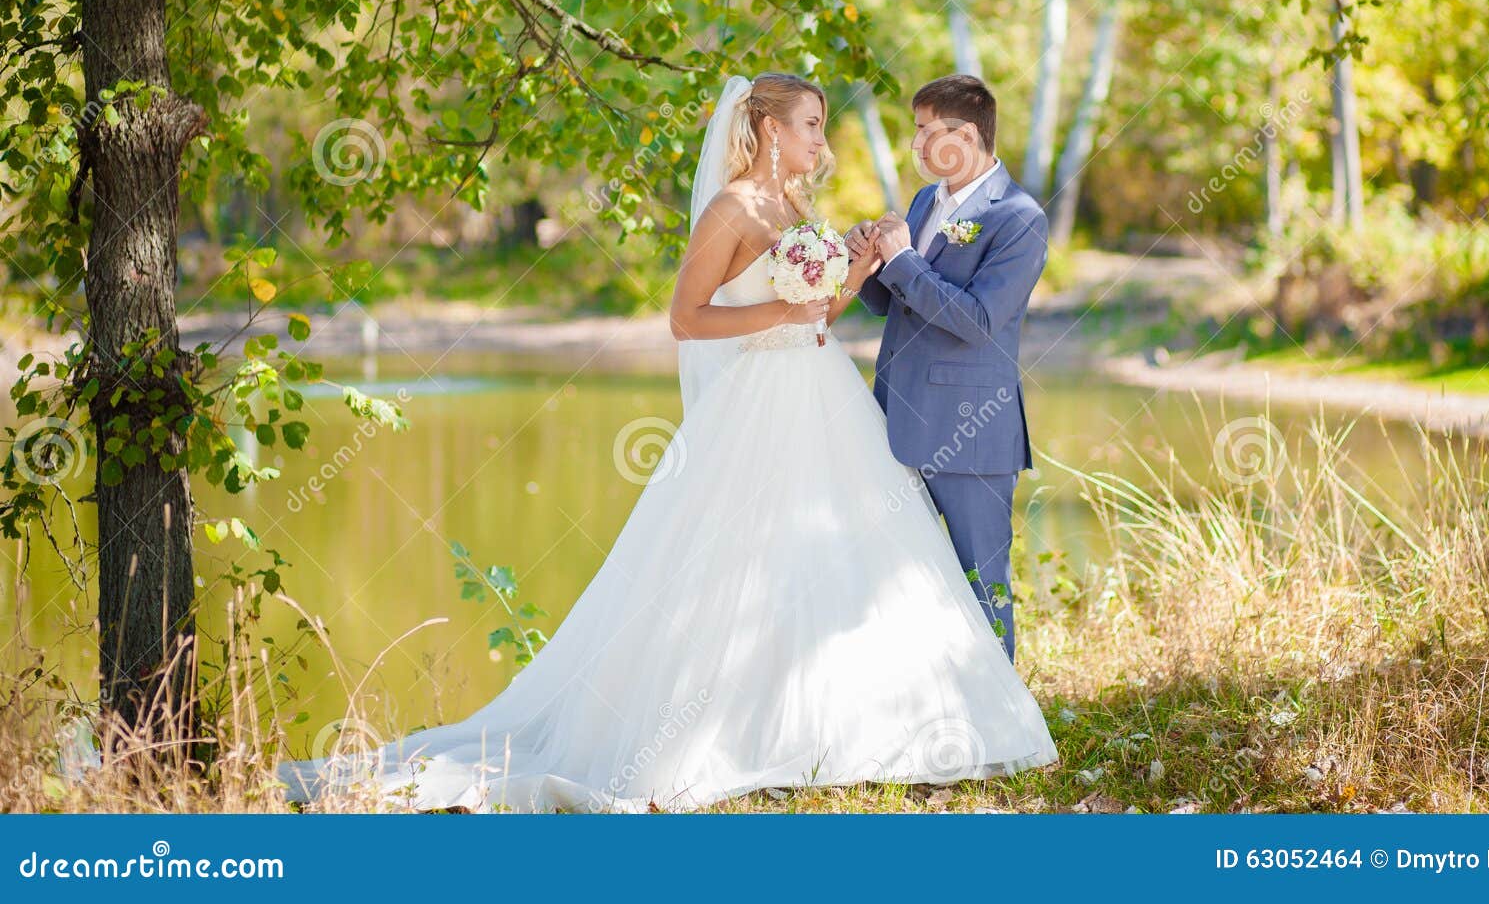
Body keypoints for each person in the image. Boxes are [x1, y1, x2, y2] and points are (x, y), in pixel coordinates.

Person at [274, 72, 1057, 813]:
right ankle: (741, 731)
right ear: (767, 128)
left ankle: (891, 723)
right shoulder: (732, 210)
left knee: (854, 563)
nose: (824, 142)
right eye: (812, 126)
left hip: (823, 396)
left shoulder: (794, 205)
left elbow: (823, 307)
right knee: (738, 568)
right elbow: (689, 319)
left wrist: (856, 262)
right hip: (762, 402)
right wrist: (800, 308)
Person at [846, 74, 1049, 661]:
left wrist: (905, 259)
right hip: (897, 419)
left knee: (981, 587)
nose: (916, 145)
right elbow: (898, 304)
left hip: (970, 432)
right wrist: (872, 263)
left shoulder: (1019, 217)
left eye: (923, 131)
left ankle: (999, 736)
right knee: (893, 581)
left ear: (963, 135)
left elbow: (979, 321)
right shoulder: (924, 202)